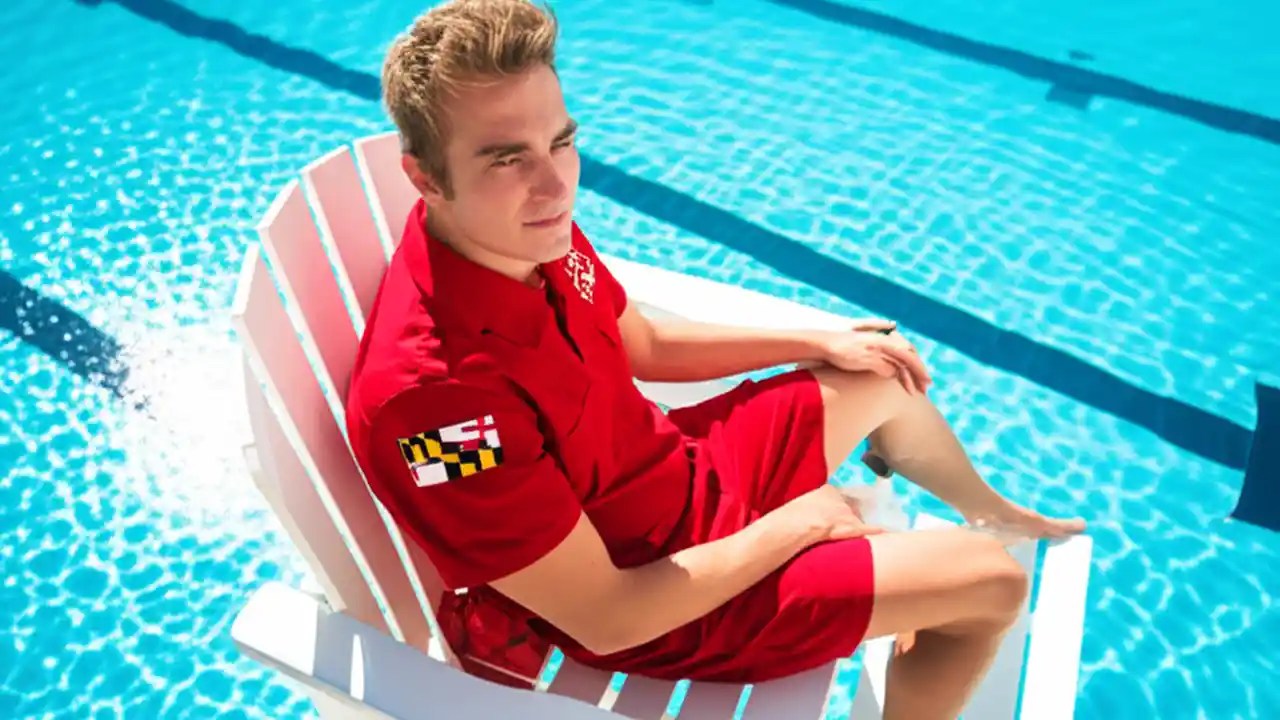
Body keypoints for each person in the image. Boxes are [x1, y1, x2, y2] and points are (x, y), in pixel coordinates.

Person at [345, 1, 1087, 717]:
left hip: (686, 473)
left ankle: (991, 511)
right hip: (663, 594)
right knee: (991, 585)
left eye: (561, 142)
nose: (556, 184)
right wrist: (799, 526)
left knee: (880, 370)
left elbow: (648, 345)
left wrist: (821, 340)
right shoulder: (440, 412)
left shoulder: (529, 239)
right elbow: (607, 617)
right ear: (425, 177)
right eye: (508, 158)